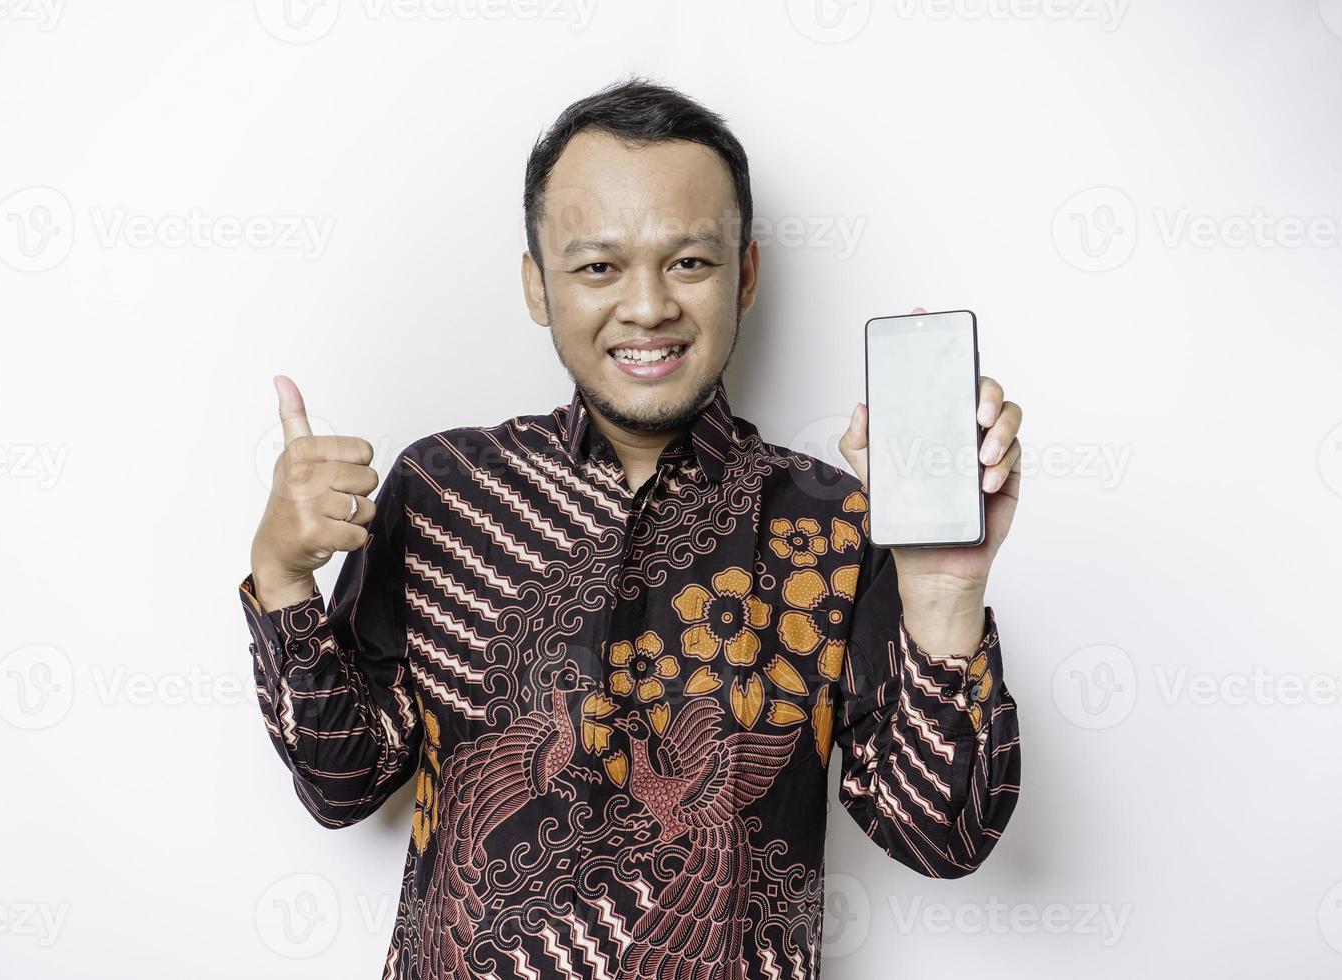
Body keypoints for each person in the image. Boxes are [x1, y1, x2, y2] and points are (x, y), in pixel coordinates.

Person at [241, 76, 1024, 980]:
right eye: (597, 266)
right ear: (538, 286)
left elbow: (942, 837)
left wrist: (946, 595)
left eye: (688, 262)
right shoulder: (440, 491)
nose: (648, 306)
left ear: (748, 275)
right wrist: (283, 578)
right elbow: (344, 786)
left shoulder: (838, 525)